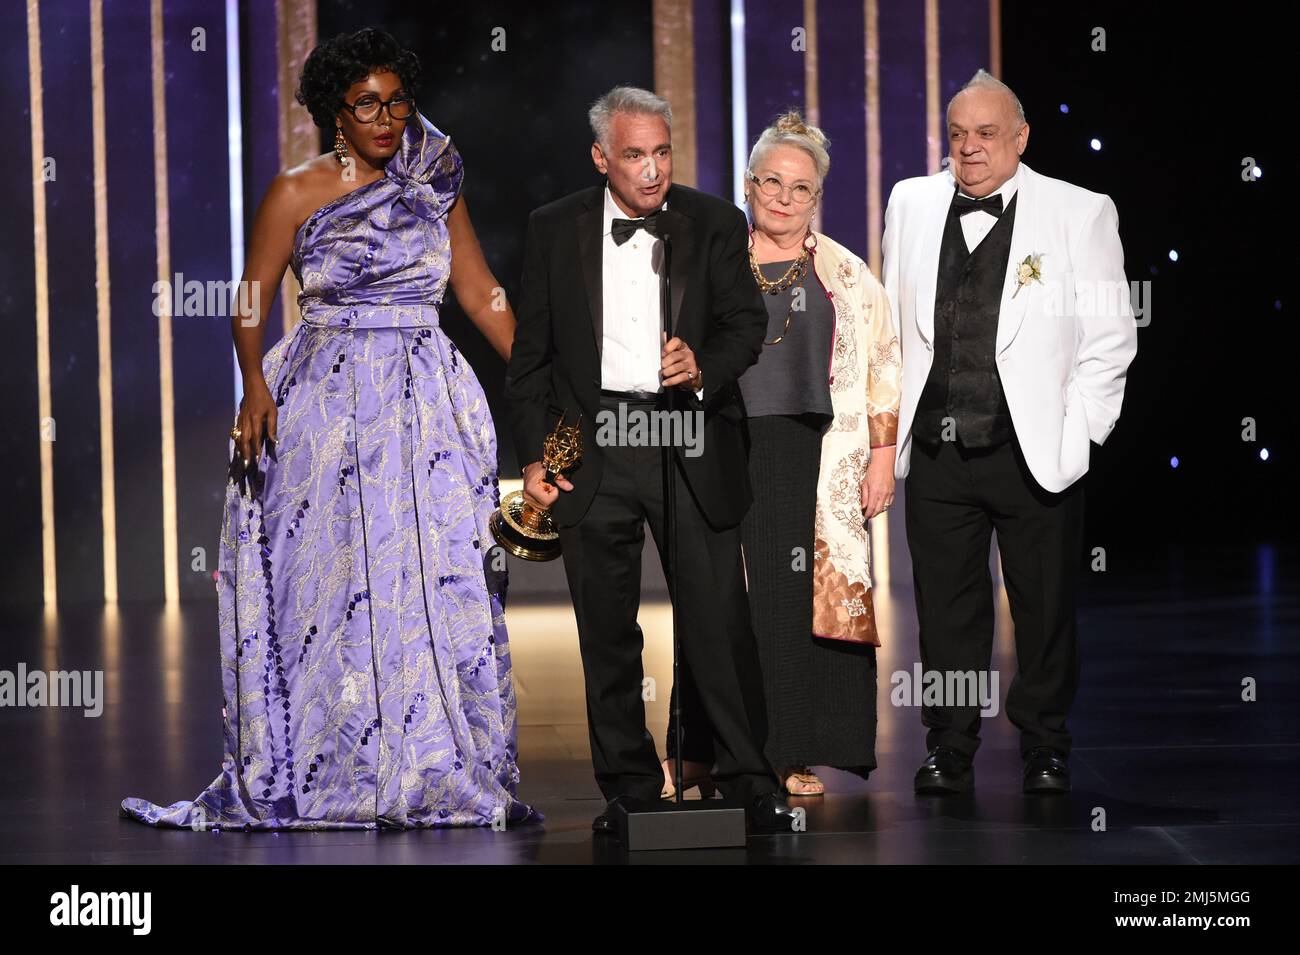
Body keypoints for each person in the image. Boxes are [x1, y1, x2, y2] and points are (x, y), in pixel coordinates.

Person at [120, 27, 538, 829]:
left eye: (397, 101)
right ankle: (332, 768)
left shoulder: (433, 178)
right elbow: (252, 296)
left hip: (425, 405)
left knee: (435, 581)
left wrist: (537, 375)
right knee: (332, 589)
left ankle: (436, 767)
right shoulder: (297, 190)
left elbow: (480, 293)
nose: (386, 119)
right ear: (334, 115)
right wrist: (251, 383)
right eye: (366, 105)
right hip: (324, 407)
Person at [505, 85, 794, 834]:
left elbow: (745, 323)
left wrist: (701, 365)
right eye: (635, 154)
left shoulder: (715, 222)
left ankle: (747, 776)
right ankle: (629, 785)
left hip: (686, 435)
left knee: (717, 617)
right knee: (606, 629)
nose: (653, 168)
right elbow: (530, 355)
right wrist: (535, 458)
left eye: (662, 151)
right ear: (602, 157)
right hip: (594, 444)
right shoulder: (552, 228)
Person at [882, 69, 1138, 795]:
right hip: (937, 448)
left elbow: (1111, 338)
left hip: (1034, 452)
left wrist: (1078, 433)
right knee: (947, 613)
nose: (969, 148)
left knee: (1044, 608)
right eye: (958, 134)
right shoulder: (911, 202)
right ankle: (950, 748)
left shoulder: (1079, 212)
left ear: (1020, 138)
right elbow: (897, 329)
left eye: (986, 134)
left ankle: (1046, 746)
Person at [662, 111, 901, 798]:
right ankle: (698, 752)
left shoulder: (845, 274)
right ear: (748, 183)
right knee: (711, 601)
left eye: (801, 188)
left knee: (785, 600)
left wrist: (882, 458)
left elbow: (885, 362)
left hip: (806, 450)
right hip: (717, 439)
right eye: (772, 182)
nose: (784, 198)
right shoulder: (709, 258)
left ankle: (782, 750)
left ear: (816, 197)